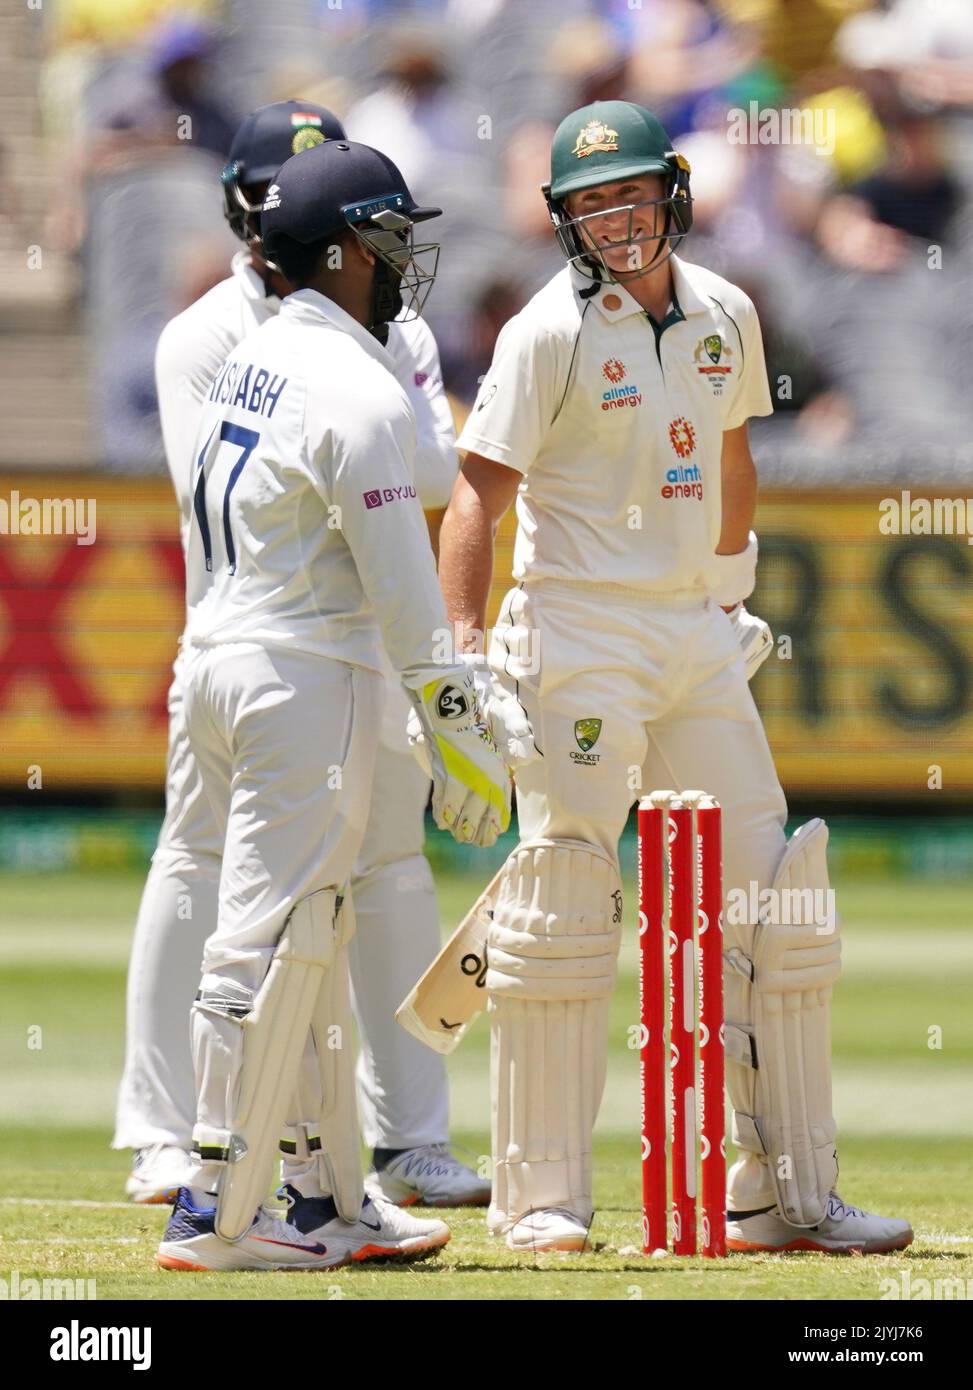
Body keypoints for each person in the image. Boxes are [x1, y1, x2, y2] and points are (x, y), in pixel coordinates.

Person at [438, 100, 914, 1255]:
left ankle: (782, 1191)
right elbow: (477, 497)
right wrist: (459, 652)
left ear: (673, 194)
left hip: (691, 631)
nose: (615, 219)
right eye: (591, 201)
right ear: (564, 220)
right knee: (562, 906)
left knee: (773, 902)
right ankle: (540, 1194)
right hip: (576, 627)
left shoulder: (726, 312)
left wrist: (729, 591)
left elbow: (735, 452)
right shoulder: (545, 332)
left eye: (630, 193)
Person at [115, 101, 490, 1211]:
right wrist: (459, 720)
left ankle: (346, 1174)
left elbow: (417, 479)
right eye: (377, 240)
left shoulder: (284, 346)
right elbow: (402, 513)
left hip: (287, 650)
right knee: (254, 915)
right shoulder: (271, 353)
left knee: (334, 902)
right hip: (293, 652)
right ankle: (203, 1178)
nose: (399, 265)